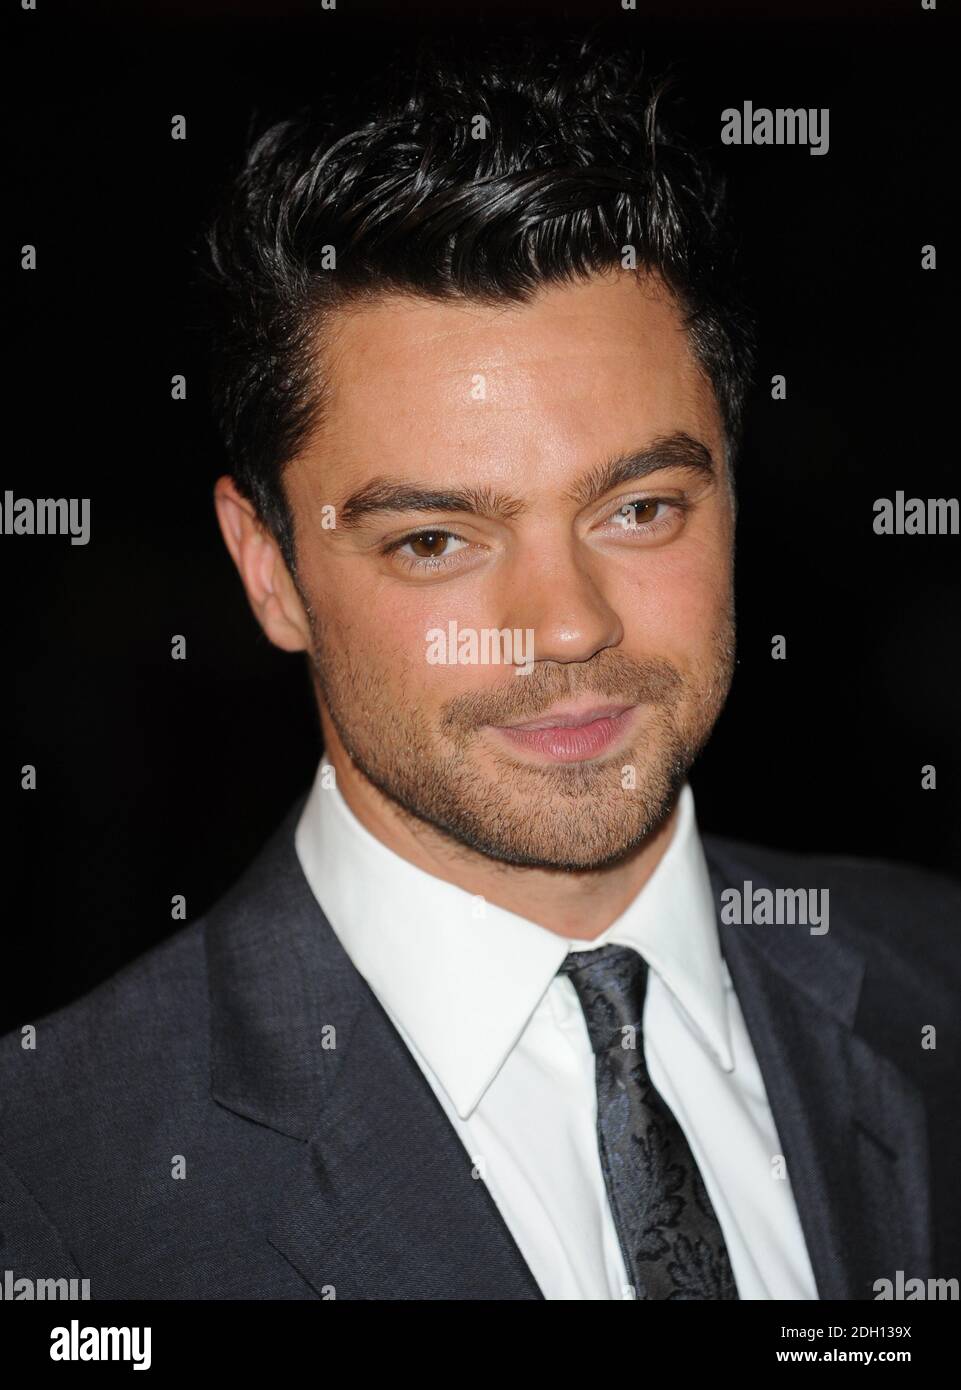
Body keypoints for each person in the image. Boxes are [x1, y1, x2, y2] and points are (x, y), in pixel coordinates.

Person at [2, 36, 958, 1302]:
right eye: (436, 540)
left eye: (638, 509)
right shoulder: (54, 1190)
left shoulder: (933, 974)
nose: (563, 628)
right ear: (268, 569)